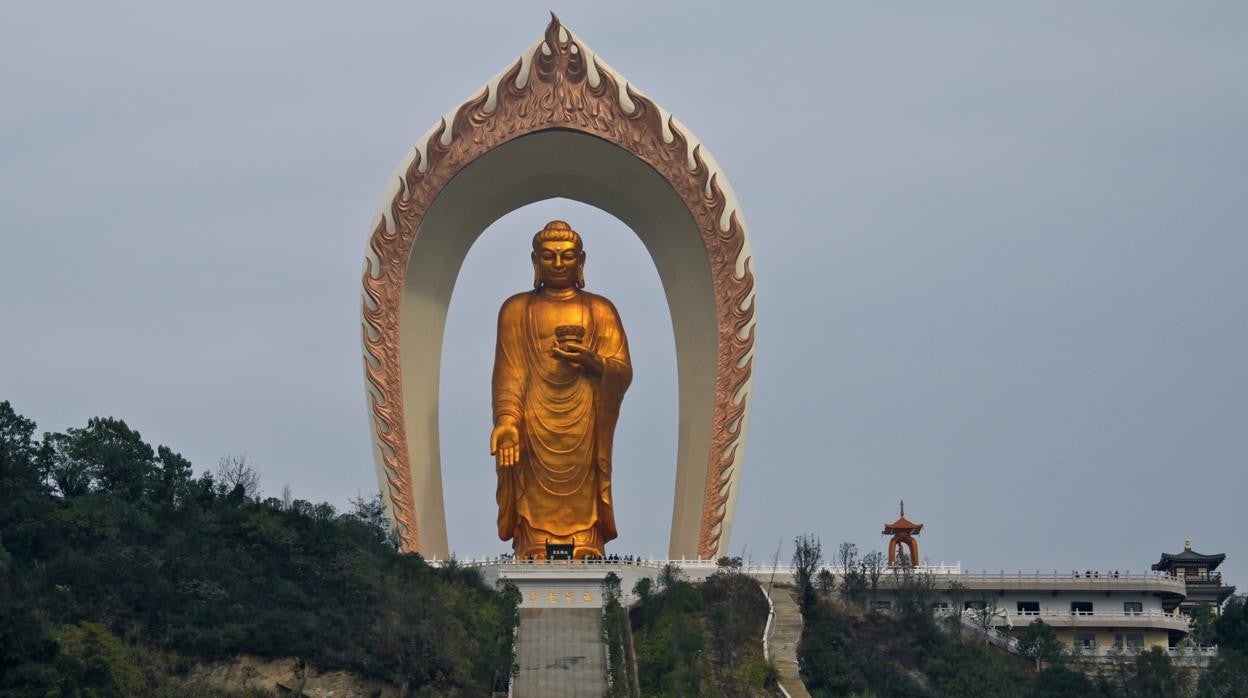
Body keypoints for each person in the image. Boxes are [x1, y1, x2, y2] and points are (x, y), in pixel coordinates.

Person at [490, 220, 632, 560]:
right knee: (531, 485)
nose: (557, 264)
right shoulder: (515, 310)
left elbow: (623, 370)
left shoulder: (601, 310)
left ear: (581, 261)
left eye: (567, 257)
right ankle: (533, 540)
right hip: (532, 419)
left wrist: (594, 362)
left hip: (585, 420)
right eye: (548, 256)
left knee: (585, 485)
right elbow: (509, 373)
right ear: (535, 261)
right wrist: (507, 421)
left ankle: (586, 539)